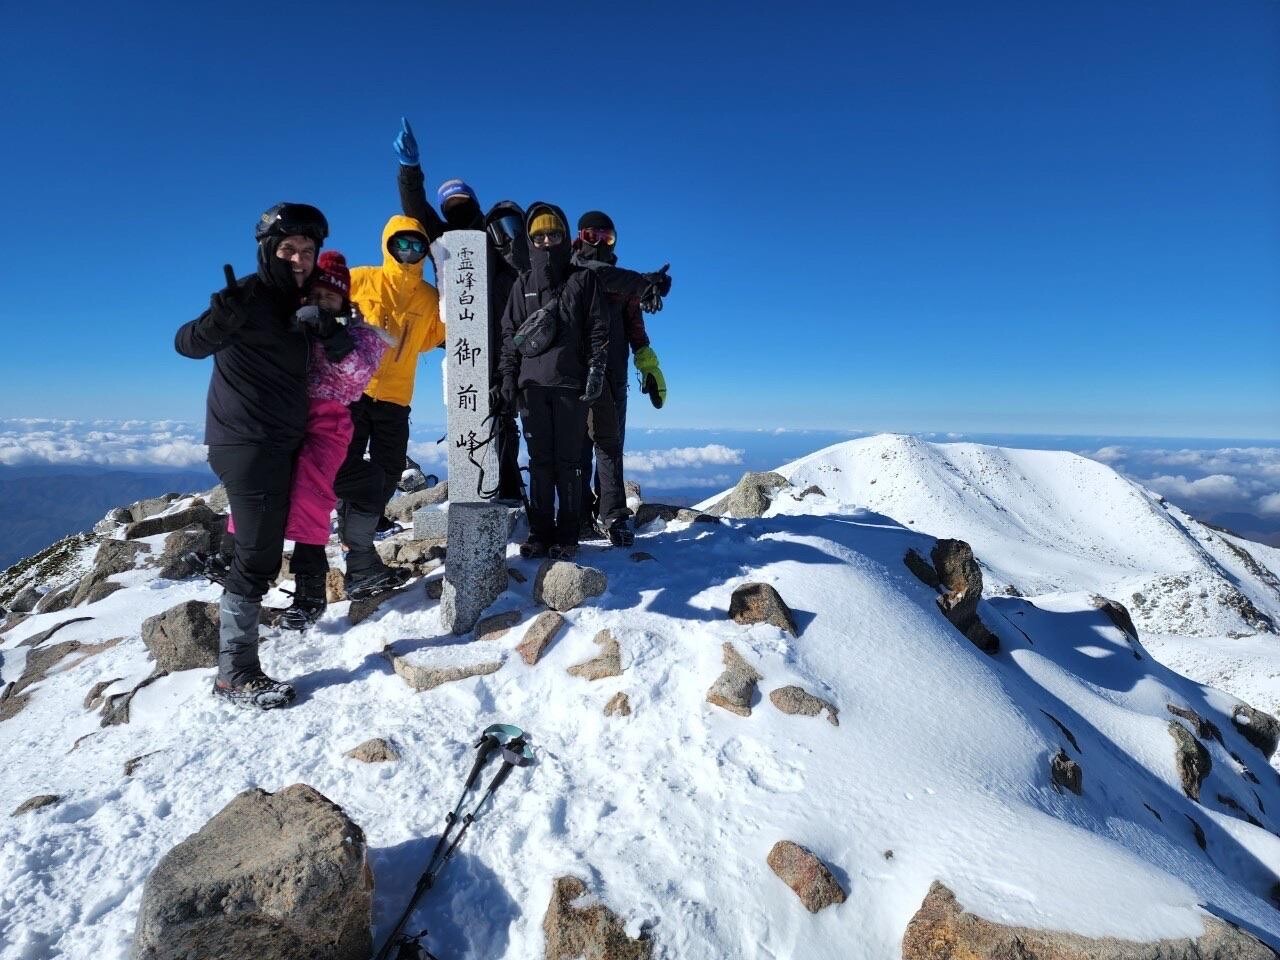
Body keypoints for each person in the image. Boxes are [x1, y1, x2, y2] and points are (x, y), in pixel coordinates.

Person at [175, 202, 337, 709]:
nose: (299, 259)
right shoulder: (245, 295)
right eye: (288, 249)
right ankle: (234, 673)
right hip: (245, 442)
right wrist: (216, 324)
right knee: (261, 554)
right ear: (268, 250)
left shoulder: (302, 303)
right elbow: (187, 343)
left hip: (279, 440)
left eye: (307, 251)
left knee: (264, 539)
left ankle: (236, 661)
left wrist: (328, 328)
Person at [394, 117, 528, 501]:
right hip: (459, 337)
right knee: (466, 408)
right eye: (450, 205)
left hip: (498, 334)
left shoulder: (494, 235)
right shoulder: (441, 237)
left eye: (462, 202)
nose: (457, 209)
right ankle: (473, 480)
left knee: (503, 409)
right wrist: (409, 169)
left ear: (474, 202)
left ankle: (507, 479)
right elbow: (415, 207)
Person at [276, 252, 391, 629]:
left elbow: (358, 376)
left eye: (332, 296)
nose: (323, 301)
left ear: (345, 300)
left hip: (331, 431)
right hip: (287, 428)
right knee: (307, 496)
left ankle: (359, 566)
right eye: (317, 294)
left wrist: (332, 334)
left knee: (369, 485)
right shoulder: (288, 329)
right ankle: (304, 589)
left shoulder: (361, 335)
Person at [336, 213, 445, 598]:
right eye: (402, 243)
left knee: (387, 473)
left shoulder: (430, 296)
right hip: (352, 392)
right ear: (388, 244)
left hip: (396, 399)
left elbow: (436, 336)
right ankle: (358, 559)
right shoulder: (361, 278)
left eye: (417, 245)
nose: (409, 251)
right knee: (345, 470)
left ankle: (355, 544)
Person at [498, 203, 609, 560]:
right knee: (541, 461)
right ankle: (540, 533)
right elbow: (510, 335)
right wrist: (508, 380)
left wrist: (595, 371)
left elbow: (597, 330)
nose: (547, 241)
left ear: (564, 237)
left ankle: (568, 533)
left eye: (554, 234)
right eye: (539, 235)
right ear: (530, 240)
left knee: (569, 463)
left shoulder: (582, 279)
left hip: (569, 385)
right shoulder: (522, 283)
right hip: (532, 388)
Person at [570, 210, 673, 545]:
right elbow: (595, 274)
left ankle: (610, 514)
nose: (599, 243)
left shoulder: (624, 284)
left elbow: (636, 330)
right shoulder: (569, 271)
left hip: (614, 379)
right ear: (579, 237)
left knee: (610, 447)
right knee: (578, 449)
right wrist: (644, 282)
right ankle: (579, 515)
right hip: (574, 375)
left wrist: (649, 367)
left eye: (607, 237)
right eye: (591, 236)